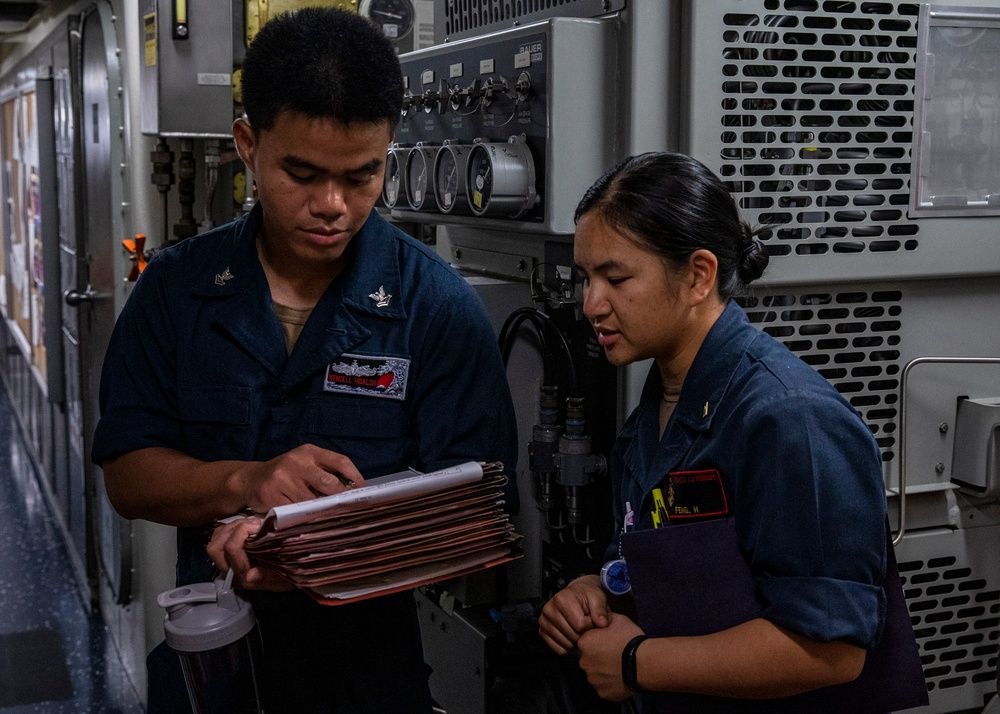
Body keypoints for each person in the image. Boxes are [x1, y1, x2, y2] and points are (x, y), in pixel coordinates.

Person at [92, 7, 518, 713]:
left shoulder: (436, 309)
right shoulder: (175, 291)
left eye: (361, 176)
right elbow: (130, 476)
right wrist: (247, 479)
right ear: (248, 145)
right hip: (213, 662)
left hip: (366, 674)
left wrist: (318, 553)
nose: (332, 206)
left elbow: (470, 518)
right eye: (302, 172)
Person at [538, 152, 897, 710]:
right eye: (586, 278)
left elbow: (832, 648)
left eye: (615, 277)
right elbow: (658, 552)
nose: (591, 304)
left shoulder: (790, 420)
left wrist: (636, 663)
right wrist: (600, 588)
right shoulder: (656, 411)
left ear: (698, 276)